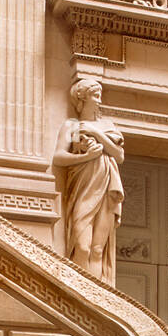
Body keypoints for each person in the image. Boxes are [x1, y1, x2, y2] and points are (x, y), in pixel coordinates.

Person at [51, 78, 125, 284]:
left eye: (99, 91)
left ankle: (97, 299)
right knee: (82, 246)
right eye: (94, 92)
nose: (99, 95)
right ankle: (78, 294)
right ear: (81, 98)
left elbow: (119, 156)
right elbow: (58, 157)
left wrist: (95, 134)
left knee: (98, 249)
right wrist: (85, 157)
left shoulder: (107, 125)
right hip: (83, 186)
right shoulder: (71, 125)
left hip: (107, 186)